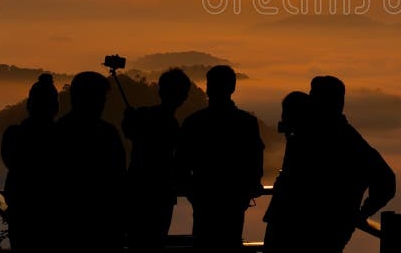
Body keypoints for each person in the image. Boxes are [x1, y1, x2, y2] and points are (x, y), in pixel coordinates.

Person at [177, 65, 264, 252]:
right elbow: (255, 162)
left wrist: (193, 192)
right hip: (233, 199)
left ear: (208, 87)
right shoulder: (246, 123)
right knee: (230, 244)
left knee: (203, 244)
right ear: (232, 88)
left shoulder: (194, 122)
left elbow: (181, 163)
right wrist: (246, 190)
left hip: (204, 198)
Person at [306, 75, 396, 253]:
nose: (310, 102)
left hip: (326, 229)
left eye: (314, 97)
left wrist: (361, 213)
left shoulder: (346, 141)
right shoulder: (328, 136)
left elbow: (386, 180)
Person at [55, 71, 126, 253]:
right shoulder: (108, 134)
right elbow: (118, 180)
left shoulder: (58, 132)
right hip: (101, 226)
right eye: (99, 98)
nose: (101, 104)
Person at [122, 68, 192, 252]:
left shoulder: (143, 115)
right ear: (183, 96)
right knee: (155, 243)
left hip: (136, 189)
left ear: (160, 91)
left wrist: (129, 118)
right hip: (161, 193)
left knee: (136, 242)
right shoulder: (172, 124)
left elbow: (129, 131)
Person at [1, 73, 60, 253]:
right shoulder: (63, 138)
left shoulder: (13, 135)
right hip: (53, 215)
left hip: (21, 212)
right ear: (55, 106)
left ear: (29, 104)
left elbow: (10, 162)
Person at [263, 91, 312, 252]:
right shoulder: (299, 139)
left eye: (285, 112)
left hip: (285, 217)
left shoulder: (299, 142)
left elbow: (291, 175)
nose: (282, 118)